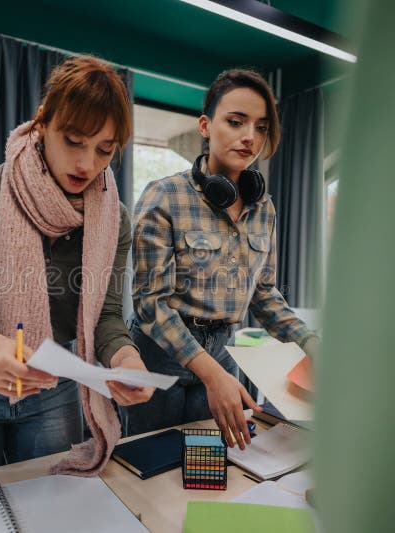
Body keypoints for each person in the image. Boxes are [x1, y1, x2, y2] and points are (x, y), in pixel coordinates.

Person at [0, 55, 153, 483]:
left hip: (52, 383)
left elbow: (106, 318)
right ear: (43, 123)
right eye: (74, 141)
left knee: (52, 507)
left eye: (104, 150)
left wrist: (126, 358)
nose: (87, 164)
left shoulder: (112, 219)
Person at [123, 69, 319, 448]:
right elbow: (150, 304)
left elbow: (264, 294)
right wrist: (213, 375)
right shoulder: (163, 196)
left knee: (214, 467)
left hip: (222, 353)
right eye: (235, 121)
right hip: (159, 359)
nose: (250, 137)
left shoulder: (264, 208)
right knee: (154, 467)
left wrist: (311, 343)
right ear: (205, 125)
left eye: (261, 127)